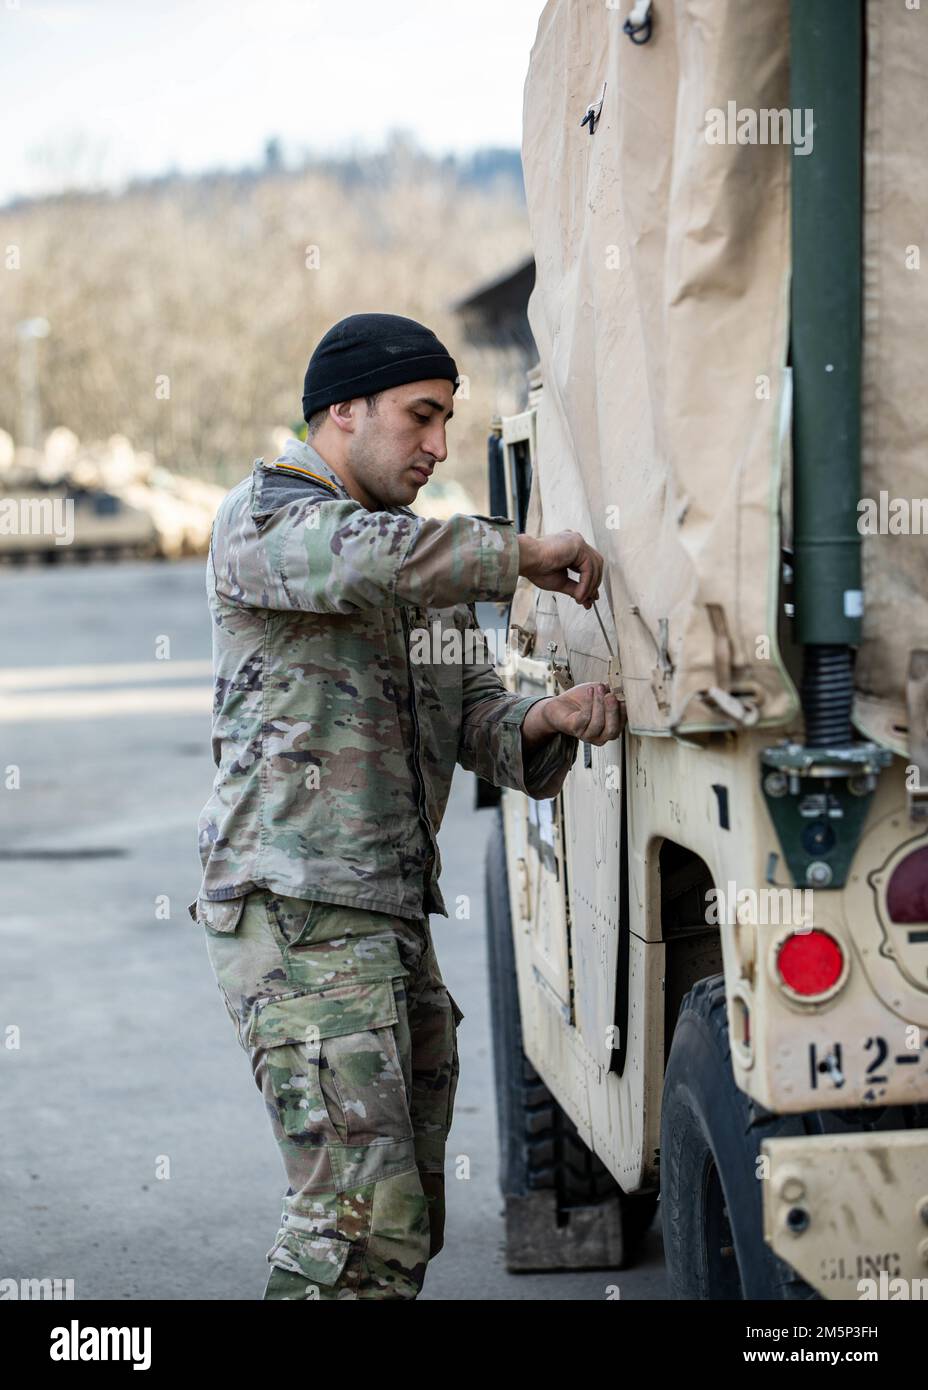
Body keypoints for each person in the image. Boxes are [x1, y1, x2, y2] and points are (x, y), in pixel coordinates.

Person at [189, 312, 624, 1300]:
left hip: (386, 916)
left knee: (401, 1221)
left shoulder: (414, 561)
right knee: (354, 1223)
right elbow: (366, 560)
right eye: (420, 418)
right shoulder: (264, 519)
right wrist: (517, 553)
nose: (437, 445)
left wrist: (547, 715)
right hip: (299, 912)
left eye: (445, 422)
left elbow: (476, 718)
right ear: (342, 410)